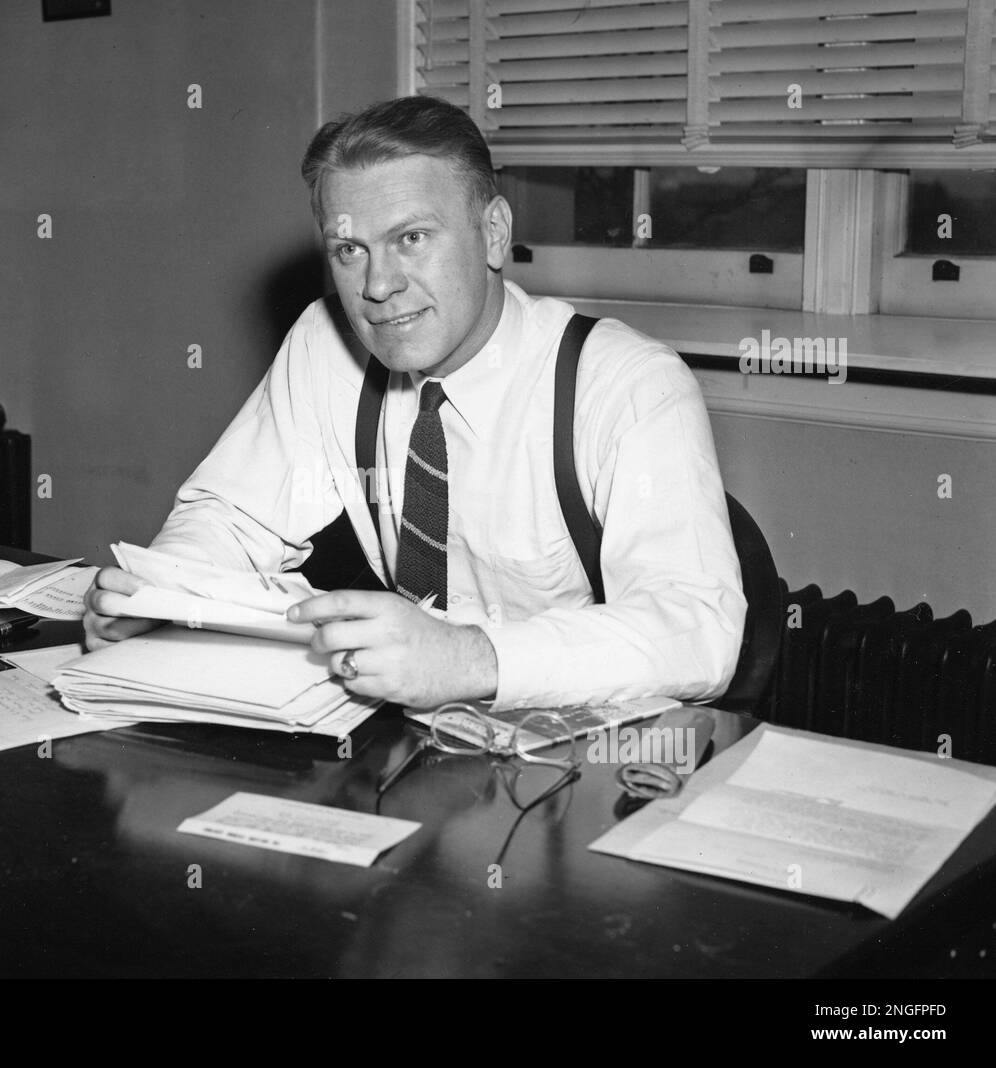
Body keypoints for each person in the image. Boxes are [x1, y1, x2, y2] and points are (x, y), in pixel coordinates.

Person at [84, 95, 745, 712]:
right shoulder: (326, 345)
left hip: (575, 744)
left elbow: (696, 629)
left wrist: (467, 658)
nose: (378, 286)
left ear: (492, 233)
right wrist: (164, 594)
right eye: (350, 250)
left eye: (411, 239)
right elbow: (234, 517)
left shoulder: (627, 385)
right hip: (410, 738)